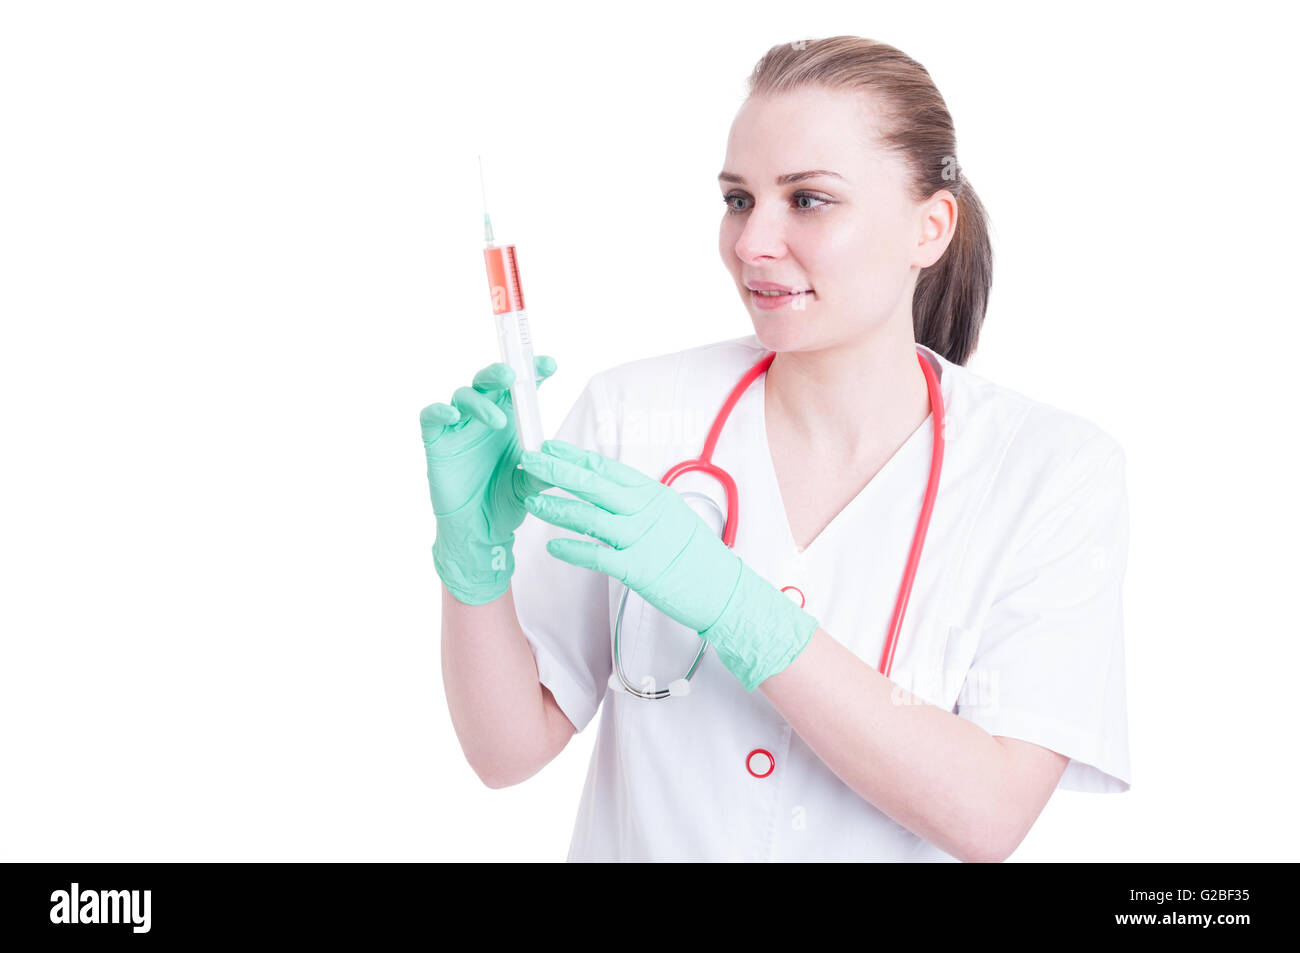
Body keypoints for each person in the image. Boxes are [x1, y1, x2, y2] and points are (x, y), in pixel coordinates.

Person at [420, 36, 1131, 862]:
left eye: (808, 200)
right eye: (737, 198)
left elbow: (988, 815)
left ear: (930, 228)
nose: (751, 242)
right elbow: (506, 752)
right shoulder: (632, 414)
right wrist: (473, 564)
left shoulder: (1048, 469)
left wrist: (734, 604)